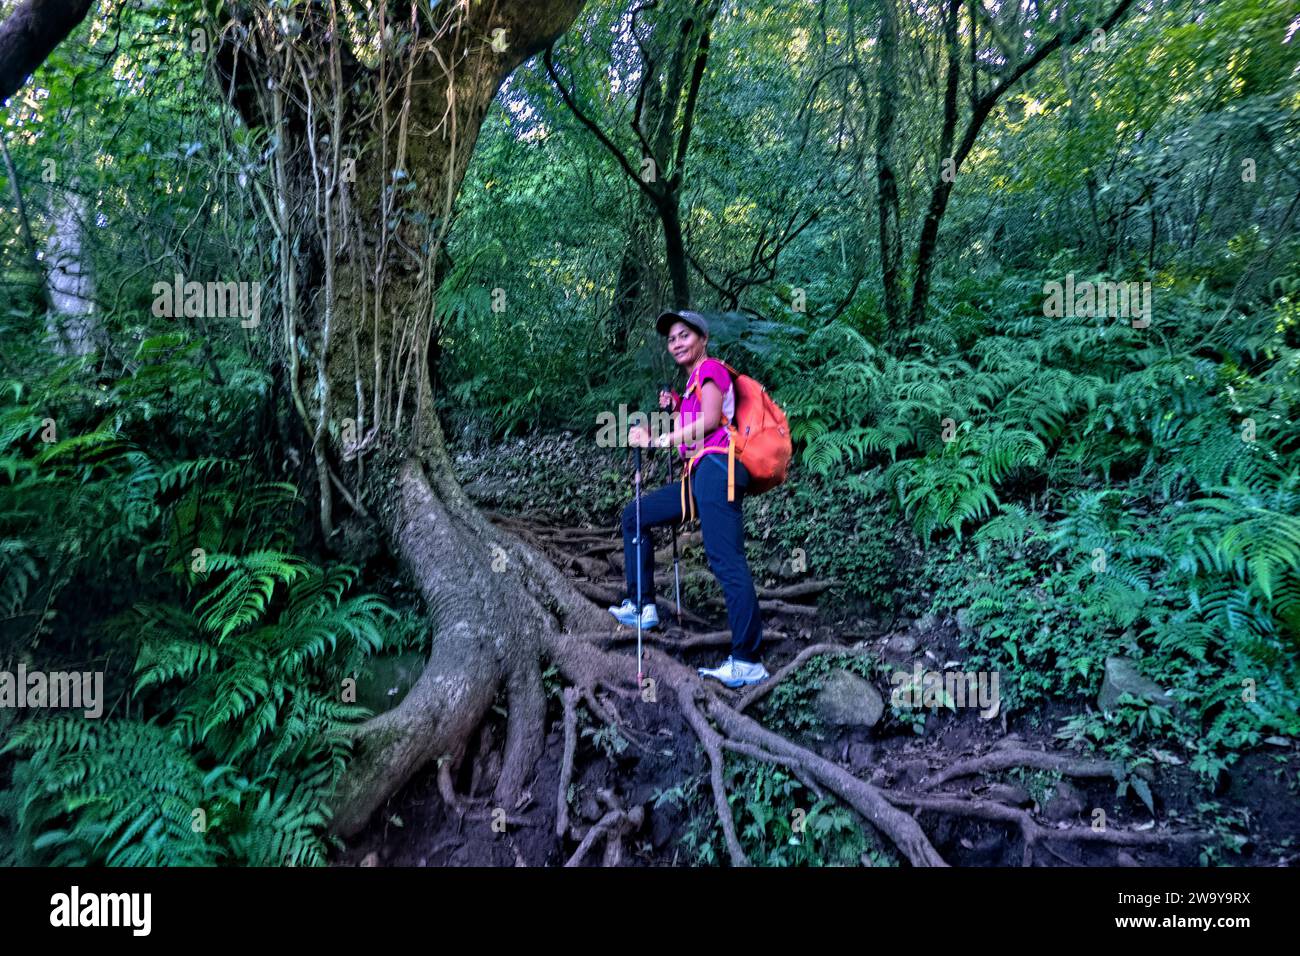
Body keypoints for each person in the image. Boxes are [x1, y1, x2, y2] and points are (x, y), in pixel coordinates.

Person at [608, 309, 770, 688]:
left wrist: (660, 439)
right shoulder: (692, 385)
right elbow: (690, 431)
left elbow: (711, 421)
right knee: (635, 516)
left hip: (718, 468)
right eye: (672, 339)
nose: (677, 343)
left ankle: (748, 661)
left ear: (703, 339)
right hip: (697, 475)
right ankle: (643, 606)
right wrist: (669, 414)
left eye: (685, 335)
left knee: (726, 559)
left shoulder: (711, 369)